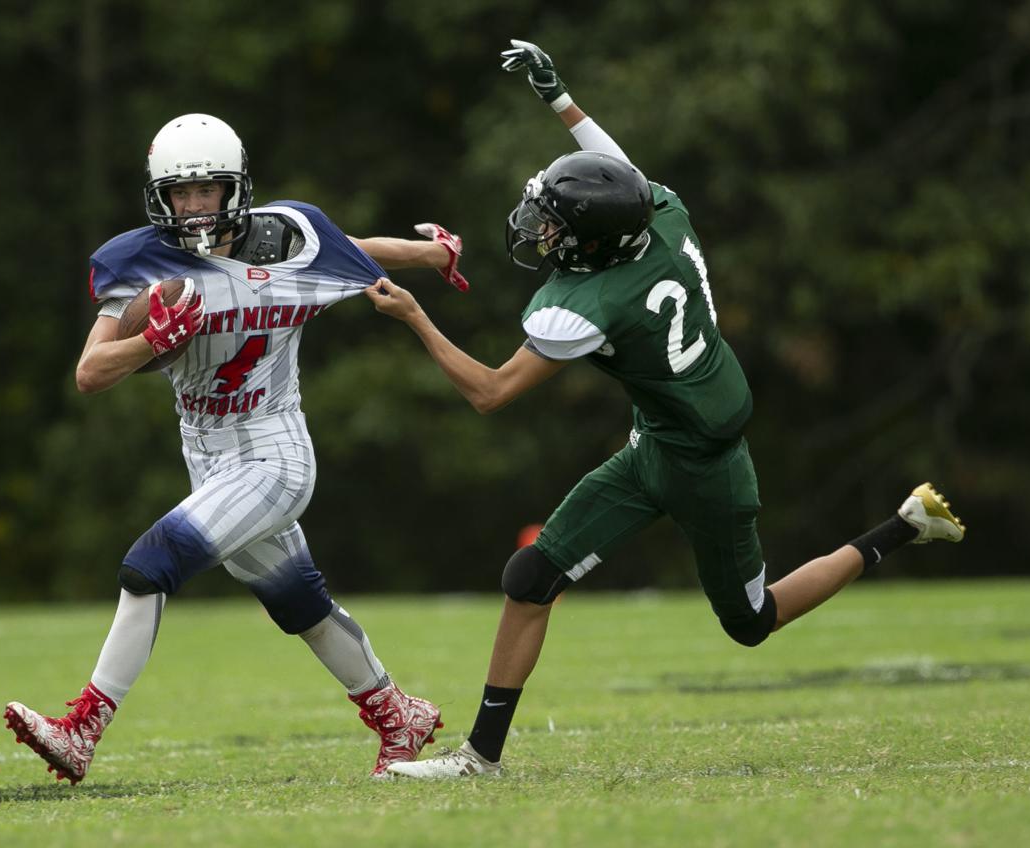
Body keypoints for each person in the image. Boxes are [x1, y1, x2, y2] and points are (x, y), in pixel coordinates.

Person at [367, 41, 966, 779]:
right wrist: (559, 97)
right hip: (656, 442)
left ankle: (901, 527)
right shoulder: (665, 216)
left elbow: (490, 394)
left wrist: (416, 319)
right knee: (530, 577)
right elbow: (616, 167)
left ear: (591, 240)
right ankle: (481, 759)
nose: (540, 231)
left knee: (752, 622)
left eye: (554, 224)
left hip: (708, 467)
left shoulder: (590, 304)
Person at [3, 113, 466, 783]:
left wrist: (431, 254)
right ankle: (400, 714)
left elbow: (352, 246)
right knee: (297, 601)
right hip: (207, 457)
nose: (193, 207)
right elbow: (90, 374)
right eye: (180, 193)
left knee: (148, 564)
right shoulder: (140, 262)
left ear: (237, 189)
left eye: (207, 191)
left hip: (275, 453)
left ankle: (82, 730)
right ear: (159, 196)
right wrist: (149, 342)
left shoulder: (294, 238)